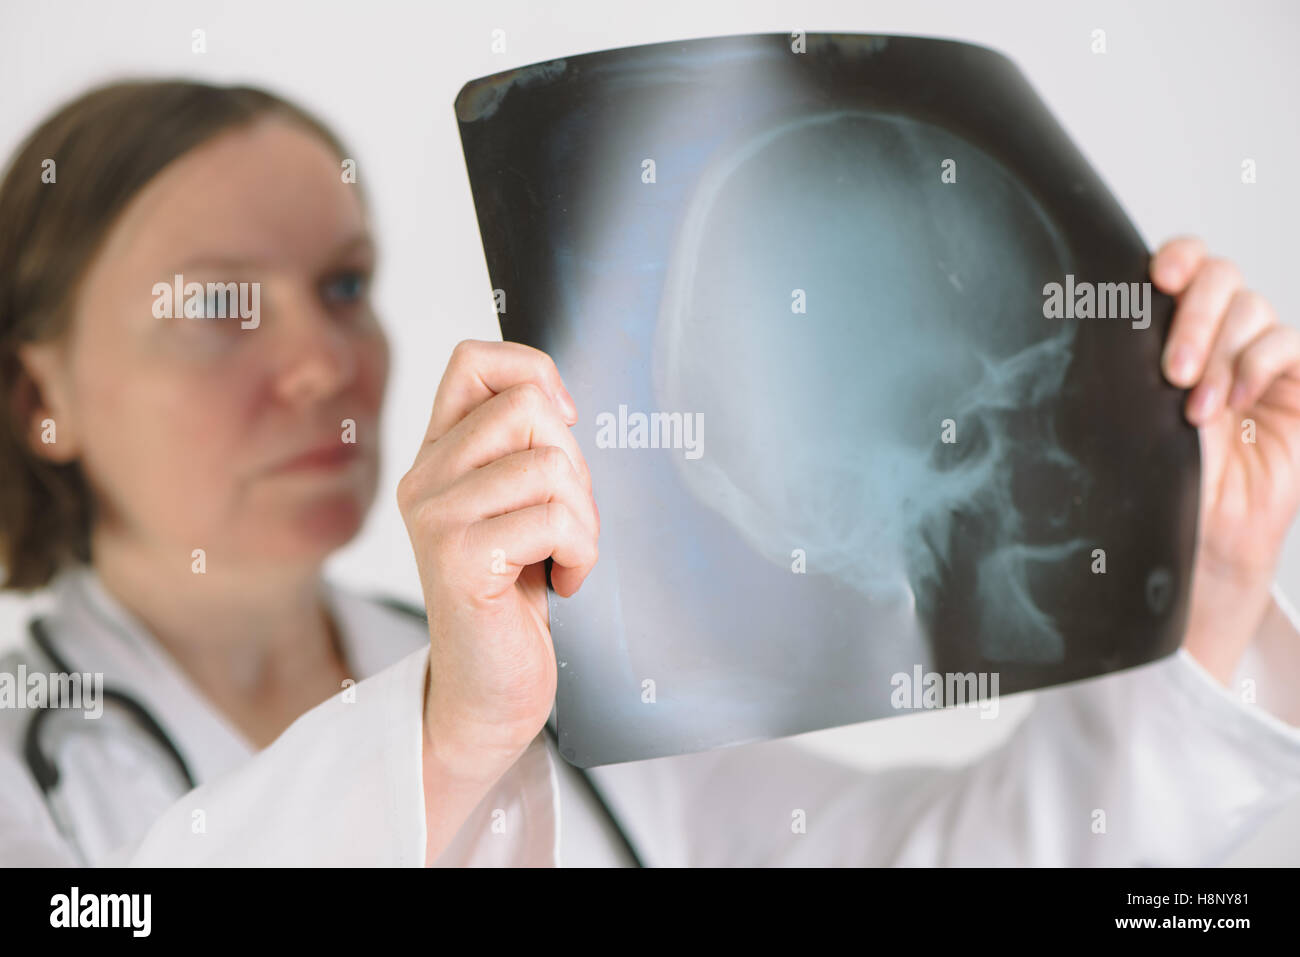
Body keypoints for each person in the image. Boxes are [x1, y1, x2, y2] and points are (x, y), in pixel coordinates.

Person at [1, 79, 1299, 867]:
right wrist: (450, 740)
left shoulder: (570, 687)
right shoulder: (26, 759)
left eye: (344, 284)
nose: (318, 362)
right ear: (36, 392)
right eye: (219, 302)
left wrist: (1216, 580)